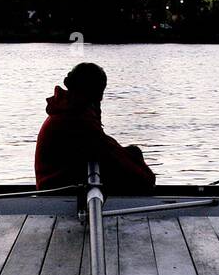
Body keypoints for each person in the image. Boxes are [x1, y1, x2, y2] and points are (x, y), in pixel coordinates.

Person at [34, 62, 156, 194]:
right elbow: (109, 154)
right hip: (57, 192)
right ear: (93, 92)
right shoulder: (76, 121)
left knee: (133, 152)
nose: (102, 98)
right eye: (100, 92)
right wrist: (146, 176)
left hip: (54, 186)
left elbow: (106, 148)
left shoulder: (68, 111)